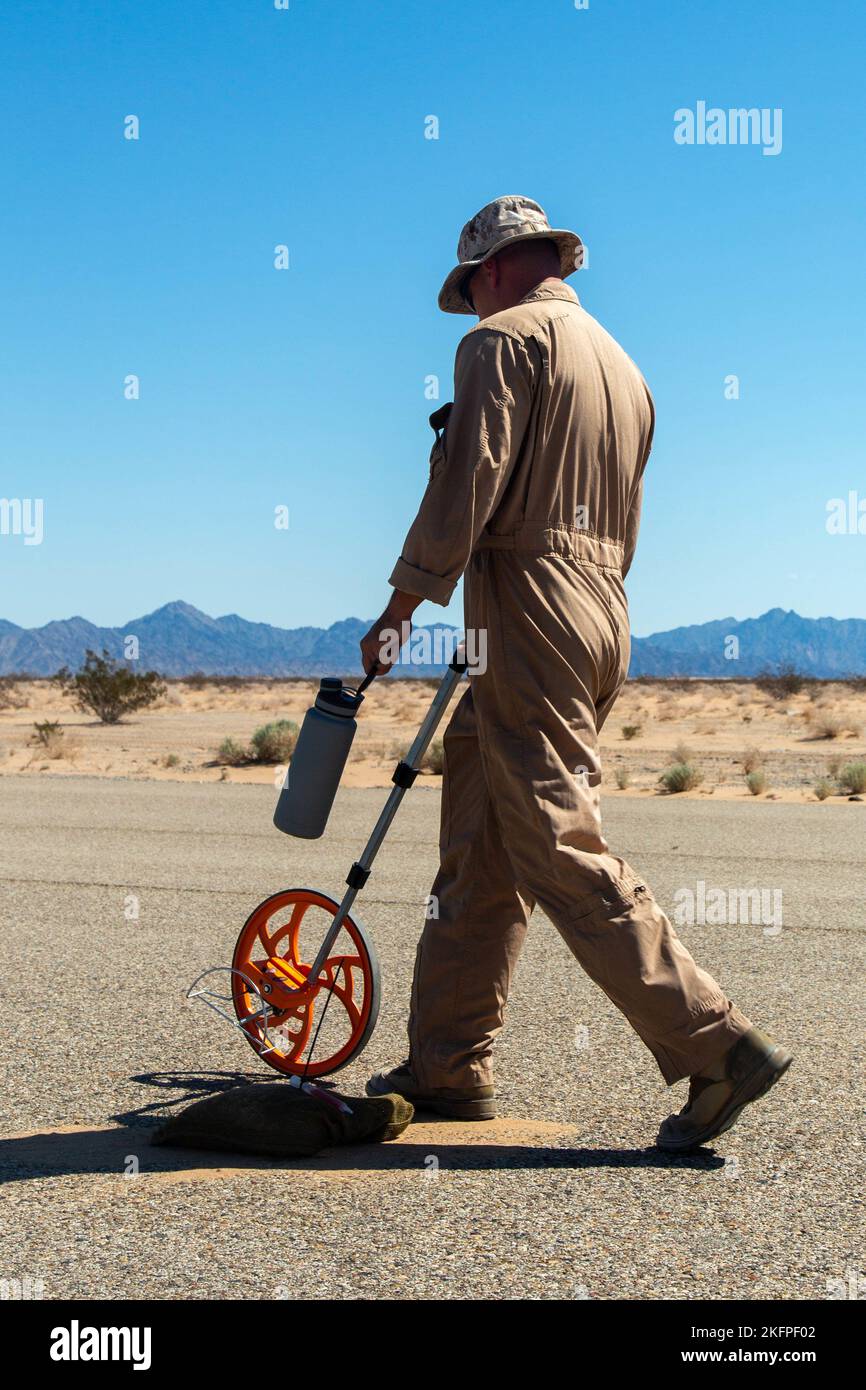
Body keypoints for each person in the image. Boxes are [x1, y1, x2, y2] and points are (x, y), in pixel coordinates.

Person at [359, 195, 791, 1151]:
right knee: (481, 839)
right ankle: (447, 1062)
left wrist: (401, 608)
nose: (471, 305)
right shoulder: (626, 370)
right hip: (602, 605)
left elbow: (465, 484)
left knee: (553, 835)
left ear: (498, 269)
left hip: (527, 600)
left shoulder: (501, 344)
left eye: (472, 285)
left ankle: (716, 1043)